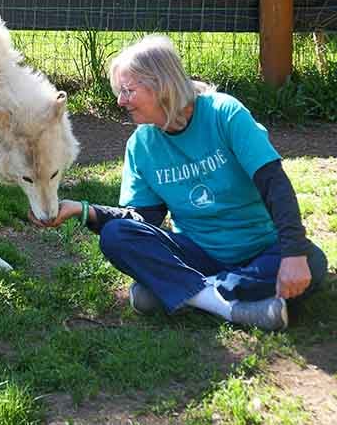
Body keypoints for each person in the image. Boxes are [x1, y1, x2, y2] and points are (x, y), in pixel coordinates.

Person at [31, 35, 328, 331]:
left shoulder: (226, 114)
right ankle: (228, 305)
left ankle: (177, 292)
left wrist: (291, 255)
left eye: (127, 90)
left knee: (311, 262)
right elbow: (142, 220)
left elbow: (275, 185)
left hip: (261, 250)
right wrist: (81, 210)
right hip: (199, 255)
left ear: (161, 85)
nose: (120, 101)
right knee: (117, 235)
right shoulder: (141, 145)